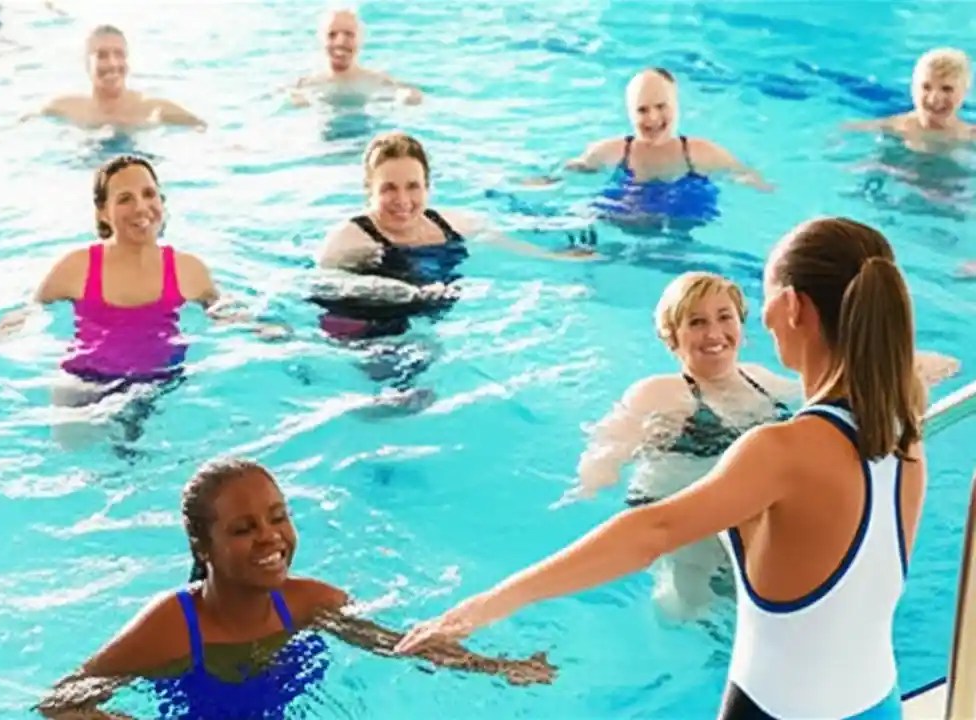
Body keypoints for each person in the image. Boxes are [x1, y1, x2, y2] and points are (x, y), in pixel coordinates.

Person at [396, 216, 931, 719]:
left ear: (791, 306)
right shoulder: (905, 432)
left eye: (764, 300)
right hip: (880, 704)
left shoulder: (782, 450)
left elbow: (648, 532)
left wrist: (481, 608)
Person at [567, 270, 958, 618]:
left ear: (742, 325)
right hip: (690, 534)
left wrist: (907, 364)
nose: (714, 334)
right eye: (696, 323)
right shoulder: (658, 393)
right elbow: (609, 444)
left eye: (724, 317)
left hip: (748, 521)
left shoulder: (761, 381)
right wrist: (596, 476)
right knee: (687, 613)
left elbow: (836, 387)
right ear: (672, 336)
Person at [37, 457, 554, 720]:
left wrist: (497, 667)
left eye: (278, 518)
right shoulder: (174, 626)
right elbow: (61, 704)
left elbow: (396, 644)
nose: (270, 538)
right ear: (203, 548)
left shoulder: (311, 603)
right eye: (243, 529)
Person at [0, 155, 262, 446]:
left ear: (162, 201)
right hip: (85, 385)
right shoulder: (77, 267)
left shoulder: (188, 269)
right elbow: (27, 313)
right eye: (125, 198)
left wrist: (264, 330)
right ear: (103, 211)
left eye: (148, 194)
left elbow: (222, 311)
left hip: (161, 383)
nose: (141, 207)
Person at [313, 131, 594, 407]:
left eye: (413, 186)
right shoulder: (350, 239)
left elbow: (504, 244)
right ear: (369, 191)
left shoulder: (452, 224)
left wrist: (557, 258)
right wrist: (403, 293)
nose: (403, 200)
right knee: (410, 376)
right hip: (365, 324)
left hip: (421, 313)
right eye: (389, 188)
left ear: (427, 187)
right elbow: (321, 287)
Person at [529, 68, 770, 234]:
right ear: (630, 114)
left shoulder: (699, 153)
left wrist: (752, 183)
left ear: (676, 105)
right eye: (642, 110)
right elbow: (574, 168)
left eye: (661, 106)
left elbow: (740, 172)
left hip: (681, 222)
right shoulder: (613, 151)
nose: (653, 118)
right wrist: (546, 180)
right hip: (627, 221)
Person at [39, 25, 204, 130]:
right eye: (102, 55)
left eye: (119, 54)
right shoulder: (66, 108)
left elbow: (202, 128)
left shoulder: (153, 110)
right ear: (86, 64)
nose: (113, 64)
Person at [845, 48, 974, 150]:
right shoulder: (893, 127)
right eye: (926, 87)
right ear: (913, 89)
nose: (934, 98)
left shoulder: (970, 135)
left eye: (947, 89)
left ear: (965, 92)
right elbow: (846, 130)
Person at [289, 9, 423, 107]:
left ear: (361, 40)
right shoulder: (306, 85)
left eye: (349, 34)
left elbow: (413, 93)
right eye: (332, 35)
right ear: (320, 40)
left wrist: (409, 97)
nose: (340, 41)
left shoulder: (376, 80)